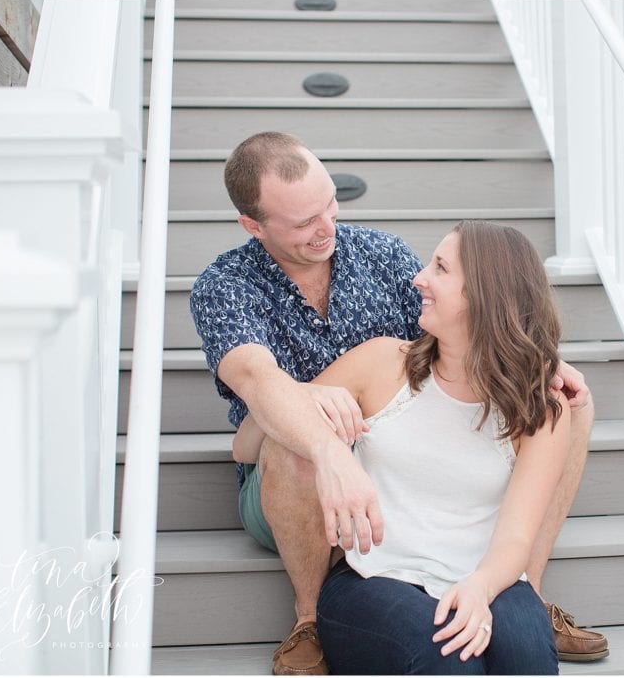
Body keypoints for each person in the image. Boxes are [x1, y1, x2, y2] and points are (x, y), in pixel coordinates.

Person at [190, 132, 608, 675]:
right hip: (289, 477)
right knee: (293, 439)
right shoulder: (225, 285)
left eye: (329, 205)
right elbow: (256, 382)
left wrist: (531, 356)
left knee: (566, 405)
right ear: (254, 225)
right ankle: (310, 619)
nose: (326, 228)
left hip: (390, 458)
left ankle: (519, 586)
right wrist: (327, 445)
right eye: (302, 222)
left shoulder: (380, 255)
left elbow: (466, 317)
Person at [234, 221, 569, 674]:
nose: (419, 278)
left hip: (486, 574)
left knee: (525, 659)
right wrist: (302, 395)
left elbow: (515, 537)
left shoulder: (541, 409)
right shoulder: (381, 362)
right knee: (450, 660)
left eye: (441, 268)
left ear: (485, 295)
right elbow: (246, 445)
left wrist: (479, 588)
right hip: (374, 580)